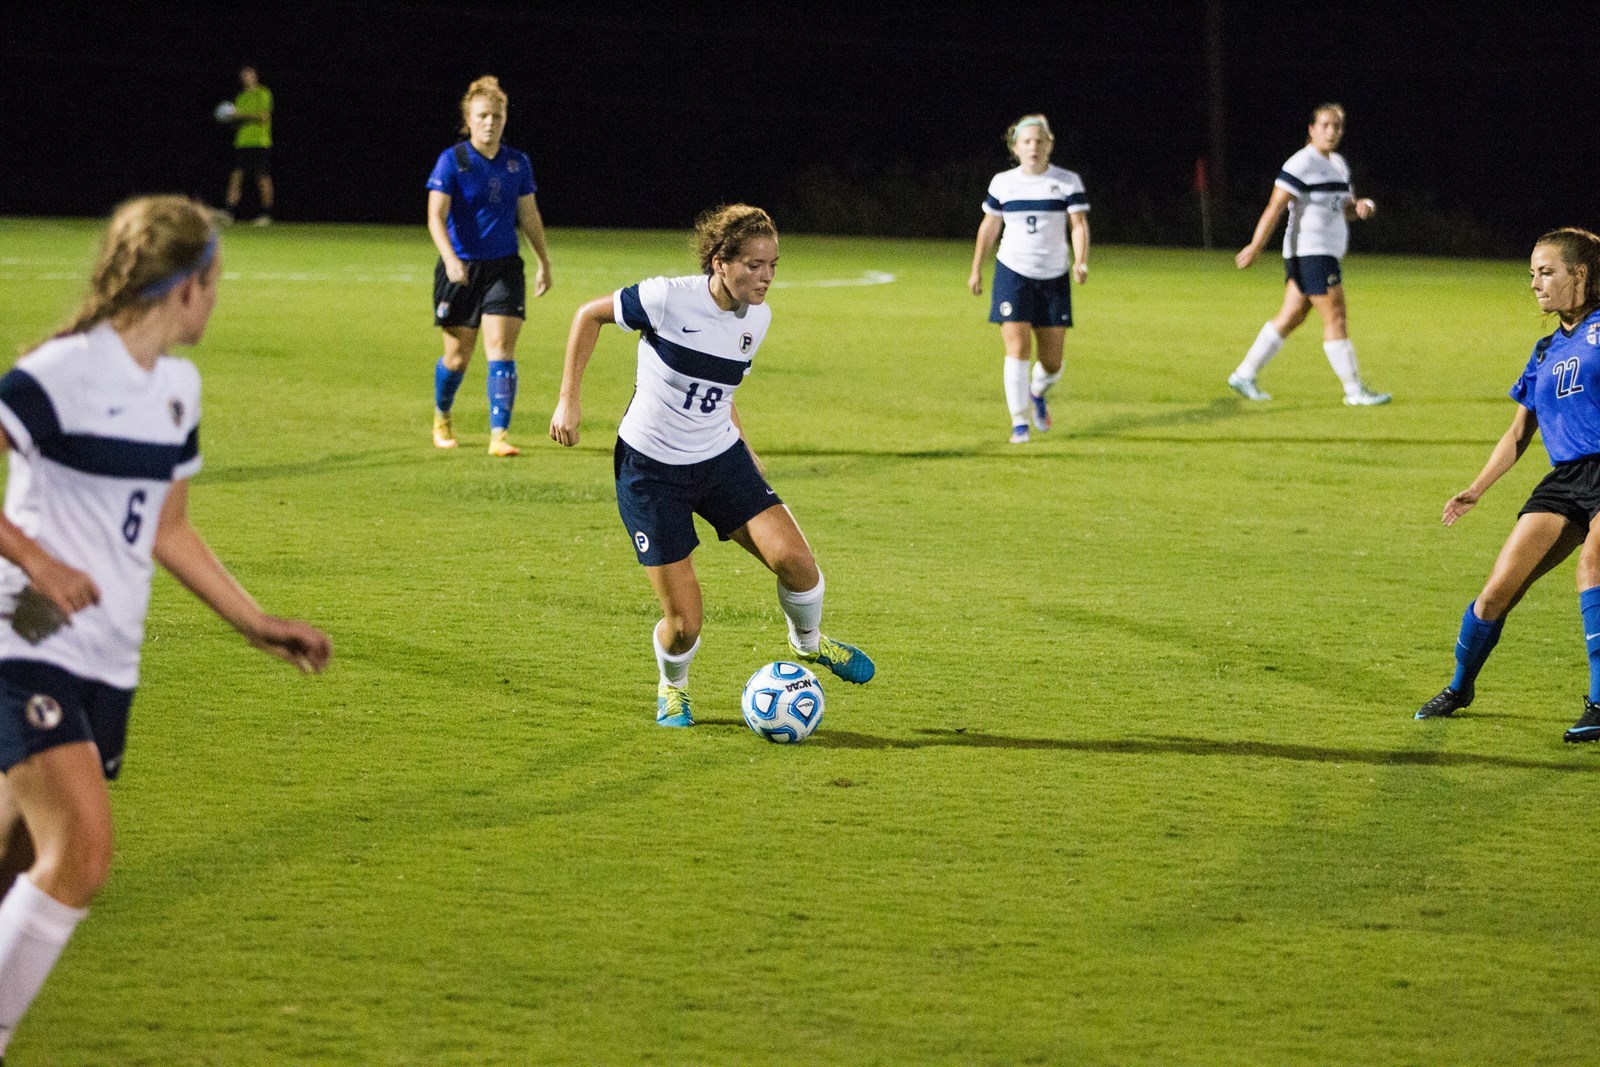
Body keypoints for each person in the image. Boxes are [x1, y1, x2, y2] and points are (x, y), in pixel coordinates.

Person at [0, 194, 331, 1055]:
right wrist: (40, 563)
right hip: (21, 637)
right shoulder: (60, 372)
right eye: (215, 282)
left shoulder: (178, 391)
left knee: (16, 865)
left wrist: (254, 620)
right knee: (81, 852)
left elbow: (169, 528)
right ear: (186, 285)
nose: (217, 300)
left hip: (105, 660)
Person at [549, 204, 874, 726]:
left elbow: (719, 390)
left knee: (799, 564)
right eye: (754, 265)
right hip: (651, 472)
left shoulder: (758, 319)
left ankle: (809, 644)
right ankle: (672, 687)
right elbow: (589, 315)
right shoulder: (667, 297)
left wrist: (742, 445)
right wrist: (569, 399)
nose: (766, 277)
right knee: (685, 624)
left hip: (719, 459)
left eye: (773, 265)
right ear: (720, 261)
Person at [1414, 228, 1600, 741]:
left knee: (1592, 565)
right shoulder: (1543, 352)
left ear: (1580, 274)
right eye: (1532, 275)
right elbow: (1520, 432)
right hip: (1566, 479)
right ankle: (1459, 687)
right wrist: (1477, 488)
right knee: (1497, 593)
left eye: (1547, 272)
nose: (1536, 284)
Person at [1228, 103, 1389, 406]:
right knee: (1336, 316)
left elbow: (1345, 209)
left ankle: (1244, 374)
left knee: (1292, 316)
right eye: (1325, 125)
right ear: (1312, 129)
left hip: (1323, 253)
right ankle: (1354, 391)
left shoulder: (1339, 164)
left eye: (1337, 126)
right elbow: (1275, 206)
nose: (1331, 132)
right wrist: (1256, 245)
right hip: (1310, 253)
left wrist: (1362, 207)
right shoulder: (1301, 164)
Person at [426, 75, 553, 457]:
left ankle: (499, 434)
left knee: (501, 350)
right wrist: (450, 259)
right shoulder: (453, 160)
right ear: (469, 118)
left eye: (496, 116)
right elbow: (436, 216)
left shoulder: (518, 163)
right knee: (458, 356)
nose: (490, 123)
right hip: (461, 269)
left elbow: (529, 216)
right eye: (482, 116)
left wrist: (543, 261)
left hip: (503, 269)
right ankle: (442, 416)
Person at [968, 114, 1090, 444]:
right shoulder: (1003, 183)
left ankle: (1037, 391)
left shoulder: (1067, 181)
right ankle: (1019, 422)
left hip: (1053, 275)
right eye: (1027, 141)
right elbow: (990, 226)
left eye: (1040, 141)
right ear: (1015, 147)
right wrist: (977, 267)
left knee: (1051, 362)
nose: (1033, 146)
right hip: (1012, 271)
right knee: (1017, 346)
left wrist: (1080, 261)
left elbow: (1077, 224)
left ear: (1049, 146)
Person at [222, 65, 274, 226]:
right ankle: (229, 213)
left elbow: (264, 117)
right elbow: (237, 123)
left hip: (259, 142)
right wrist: (229, 119)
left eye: (249, 74)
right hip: (241, 143)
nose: (246, 78)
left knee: (262, 177)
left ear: (255, 76)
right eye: (243, 75)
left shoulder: (263, 93)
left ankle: (266, 214)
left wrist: (239, 115)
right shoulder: (240, 97)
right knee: (236, 177)